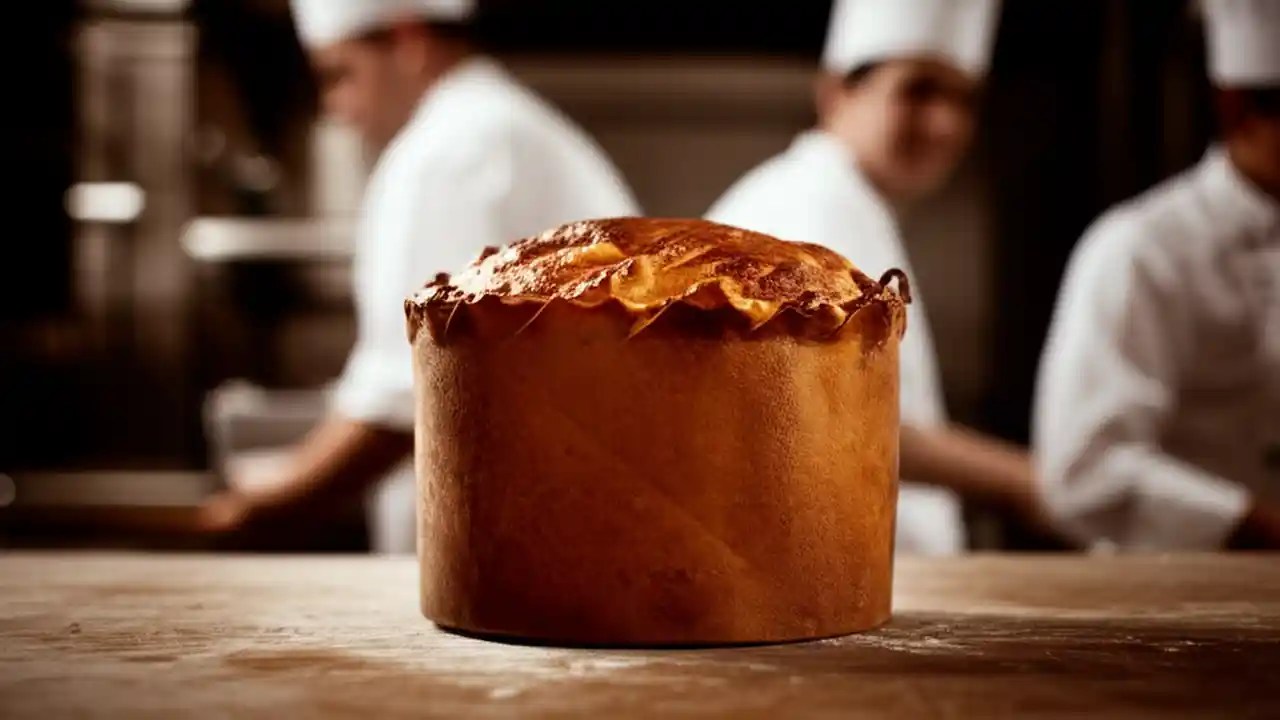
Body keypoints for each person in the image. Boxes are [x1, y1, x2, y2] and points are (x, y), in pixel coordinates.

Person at [197, 0, 640, 552]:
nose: (335, 108)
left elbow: (416, 388)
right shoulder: (496, 125)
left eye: (339, 75)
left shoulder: (455, 149)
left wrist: (265, 505)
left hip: (509, 546)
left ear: (408, 44)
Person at [707, 0, 1045, 555]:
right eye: (919, 91)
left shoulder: (851, 204)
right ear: (837, 91)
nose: (945, 124)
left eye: (964, 99)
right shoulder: (807, 210)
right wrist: (1028, 483)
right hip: (819, 580)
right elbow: (838, 414)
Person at [1034, 0, 1280, 550]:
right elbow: (1086, 471)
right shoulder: (1140, 249)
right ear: (1238, 108)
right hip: (1174, 594)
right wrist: (1255, 525)